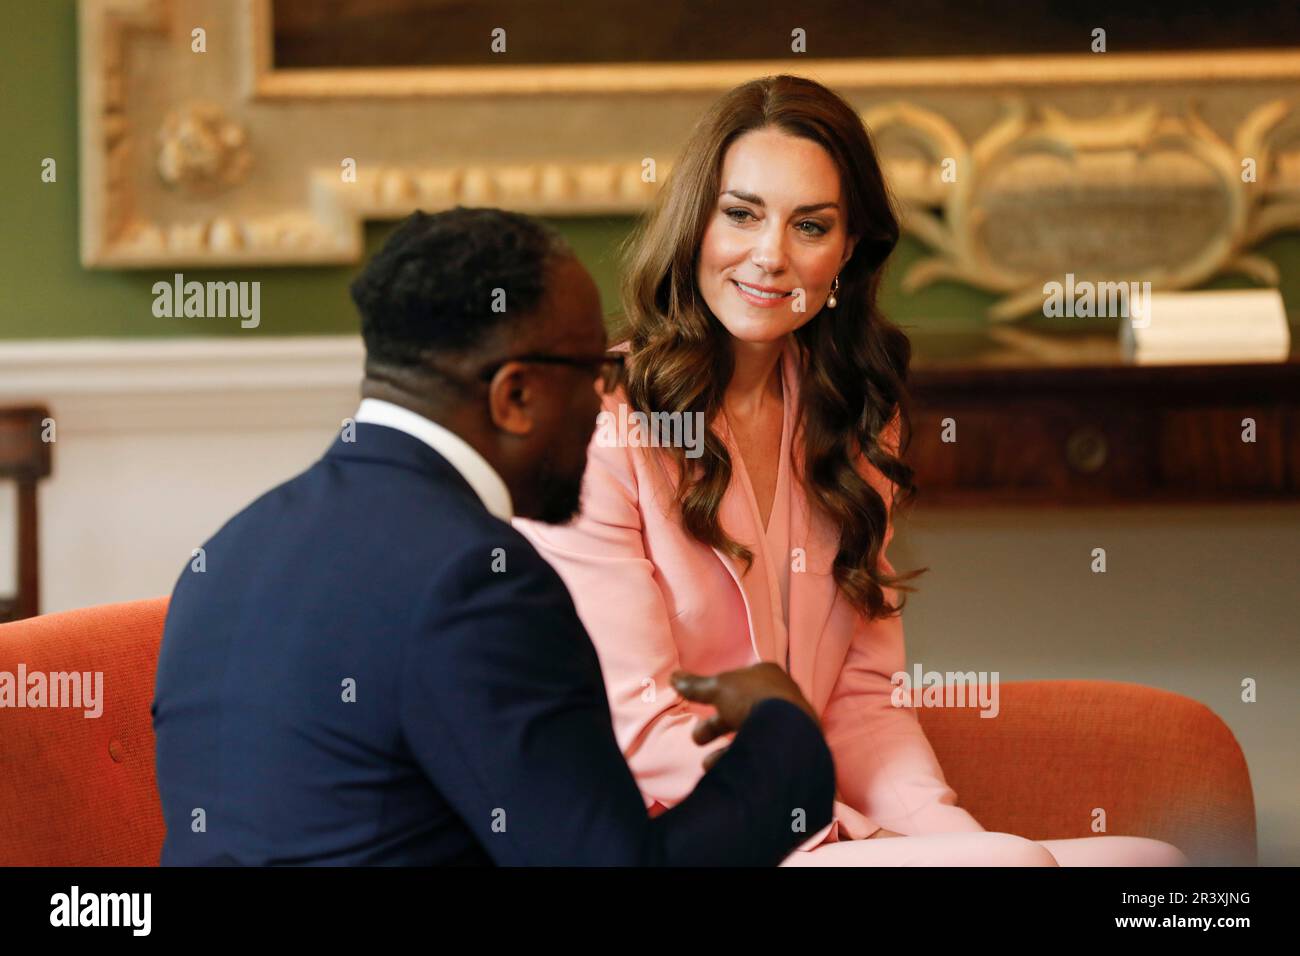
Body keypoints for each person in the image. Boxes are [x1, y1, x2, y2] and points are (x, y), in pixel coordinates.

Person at [513, 75, 1188, 867]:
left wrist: (953, 839)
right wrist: (848, 833)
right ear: (695, 224)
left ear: (848, 251)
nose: (770, 255)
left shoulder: (850, 419)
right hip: (674, 831)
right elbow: (643, 723)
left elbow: (862, 706)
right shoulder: (605, 424)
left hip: (817, 832)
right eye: (741, 214)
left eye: (811, 225)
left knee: (1152, 868)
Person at [152, 207, 835, 866]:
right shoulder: (480, 583)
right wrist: (786, 740)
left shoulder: (228, 552)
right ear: (515, 396)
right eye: (595, 376)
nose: (605, 405)